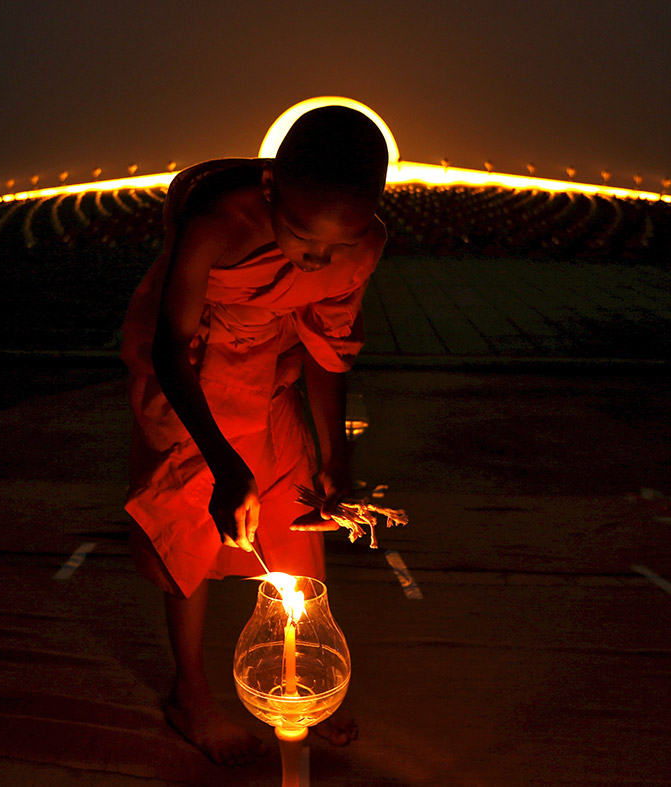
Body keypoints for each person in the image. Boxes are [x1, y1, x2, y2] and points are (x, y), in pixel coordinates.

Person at [121, 106, 389, 766]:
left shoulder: (362, 243)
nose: (315, 259)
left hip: (271, 359)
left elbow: (329, 348)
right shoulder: (219, 220)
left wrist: (337, 458)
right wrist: (220, 460)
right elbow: (168, 344)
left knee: (295, 507)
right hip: (193, 365)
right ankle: (192, 694)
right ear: (270, 190)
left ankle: (299, 684)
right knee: (192, 522)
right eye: (301, 238)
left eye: (336, 249)